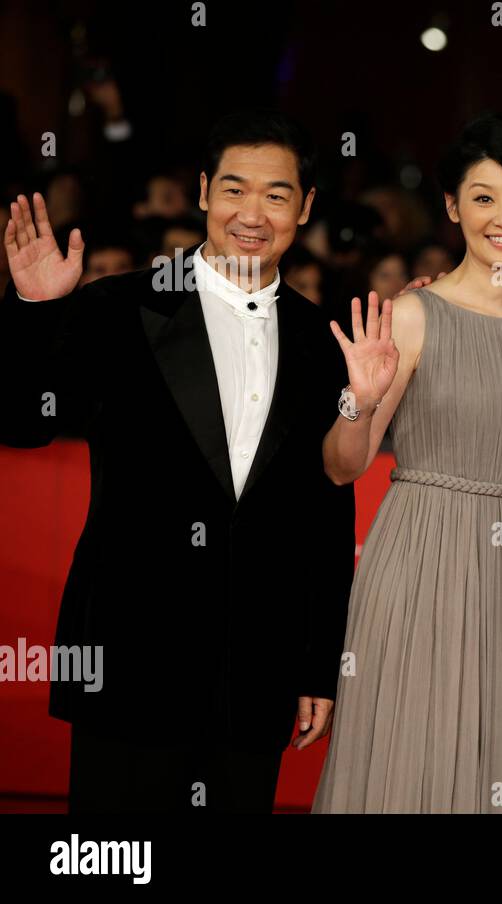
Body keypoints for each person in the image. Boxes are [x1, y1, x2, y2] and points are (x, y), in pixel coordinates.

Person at [0, 109, 357, 812]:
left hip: (254, 674)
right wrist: (34, 311)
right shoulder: (117, 307)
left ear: (306, 208)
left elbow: (325, 510)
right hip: (131, 663)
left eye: (276, 195)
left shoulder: (325, 341)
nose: (251, 213)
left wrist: (319, 666)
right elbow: (23, 423)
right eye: (234, 189)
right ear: (202, 193)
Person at [311, 113, 502, 813]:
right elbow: (343, 467)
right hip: (419, 565)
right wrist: (357, 403)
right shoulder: (413, 314)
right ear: (454, 207)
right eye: (484, 197)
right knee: (408, 763)